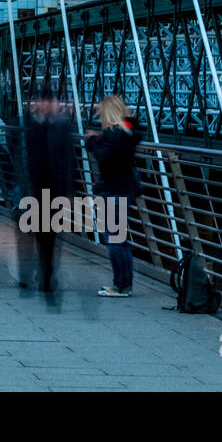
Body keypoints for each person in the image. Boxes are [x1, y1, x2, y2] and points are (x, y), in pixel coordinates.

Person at [86, 94, 142, 298]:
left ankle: (119, 286)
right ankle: (125, 285)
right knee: (121, 240)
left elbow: (103, 156)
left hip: (115, 190)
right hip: (123, 189)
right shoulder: (126, 132)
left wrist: (92, 140)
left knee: (114, 240)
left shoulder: (115, 135)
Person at [23, 90, 72, 297]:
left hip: (54, 189)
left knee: (50, 233)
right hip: (36, 188)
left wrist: (68, 191)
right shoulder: (32, 125)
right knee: (40, 232)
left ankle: (46, 270)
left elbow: (69, 161)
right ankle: (44, 269)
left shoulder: (60, 127)